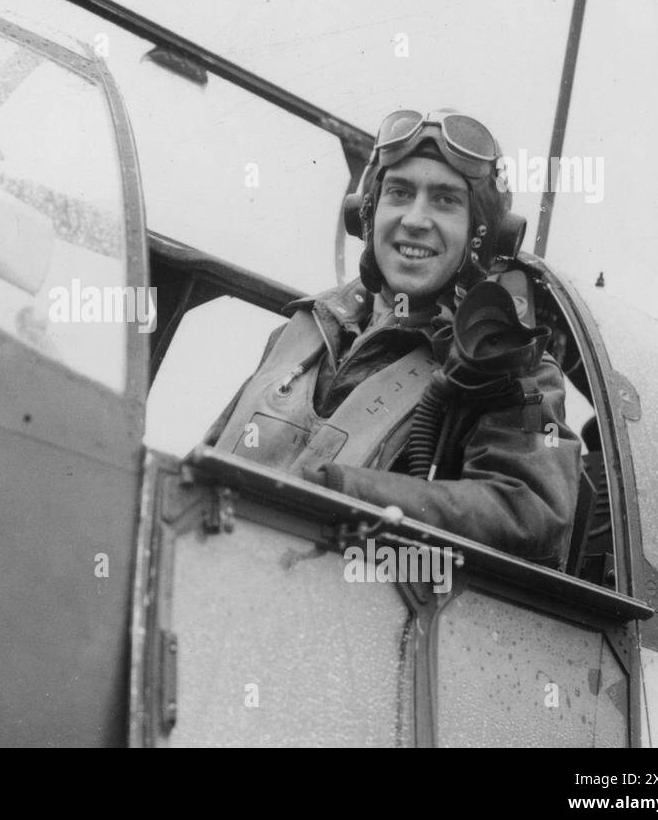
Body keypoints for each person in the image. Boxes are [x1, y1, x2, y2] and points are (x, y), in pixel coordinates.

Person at [202, 109, 581, 569]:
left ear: (482, 236)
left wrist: (349, 494)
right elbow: (205, 462)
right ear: (367, 212)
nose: (415, 219)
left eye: (445, 201)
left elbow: (531, 510)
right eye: (399, 193)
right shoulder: (303, 331)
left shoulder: (508, 368)